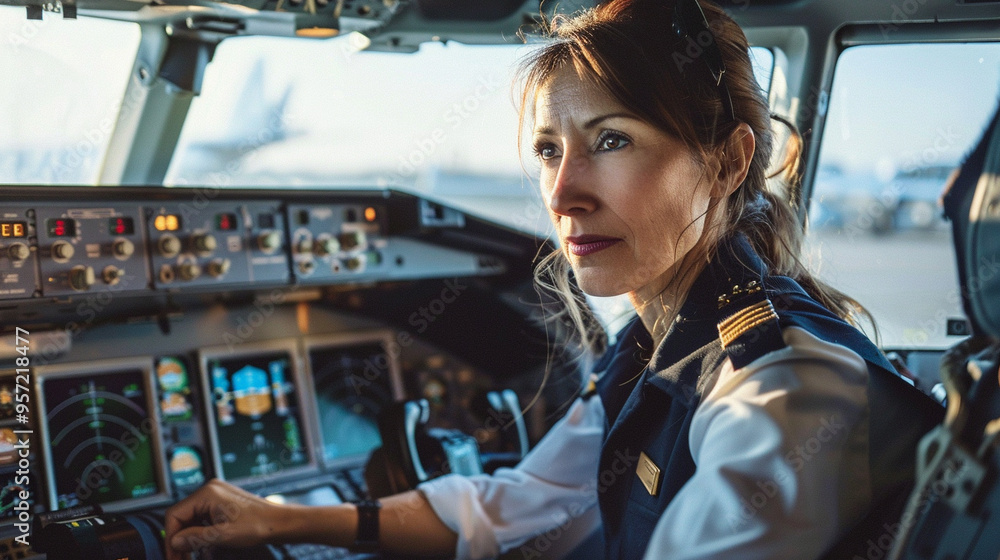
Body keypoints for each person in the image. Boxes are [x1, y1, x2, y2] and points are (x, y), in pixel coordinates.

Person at [164, 0, 929, 558]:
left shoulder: (782, 392)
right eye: (548, 151)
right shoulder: (653, 348)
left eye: (613, 140)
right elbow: (522, 503)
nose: (564, 195)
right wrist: (279, 518)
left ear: (726, 162)